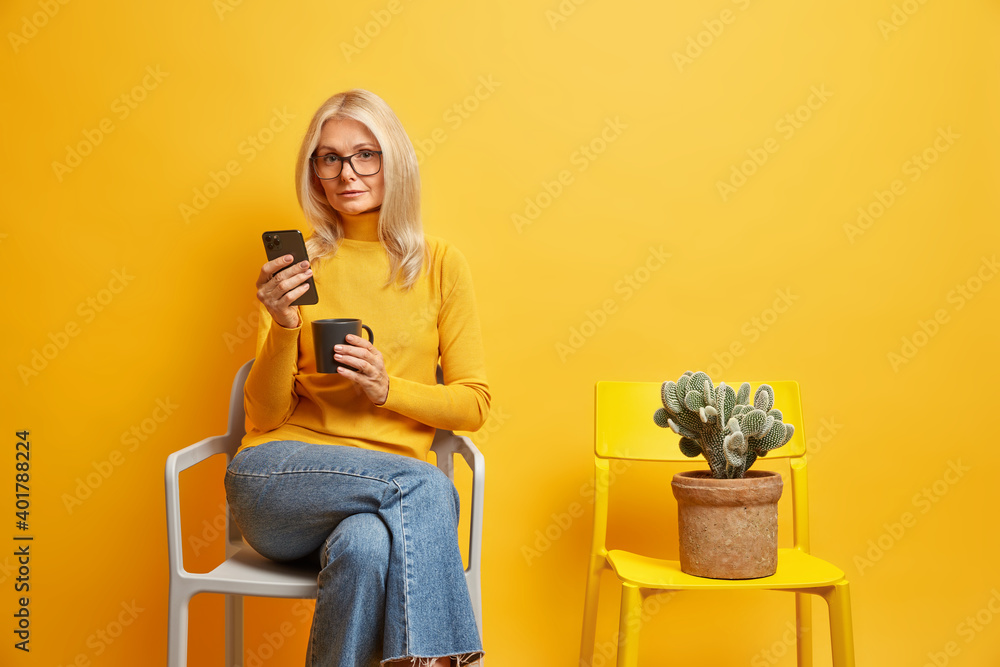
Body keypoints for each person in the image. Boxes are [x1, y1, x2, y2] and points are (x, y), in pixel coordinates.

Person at [223, 89, 490, 667]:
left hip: (382, 502)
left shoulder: (440, 265)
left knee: (368, 547)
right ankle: (444, 662)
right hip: (278, 479)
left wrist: (387, 389)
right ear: (314, 171)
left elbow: (474, 405)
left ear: (395, 160)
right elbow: (264, 417)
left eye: (365, 154)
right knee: (428, 485)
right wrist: (283, 327)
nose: (347, 173)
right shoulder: (302, 265)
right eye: (329, 158)